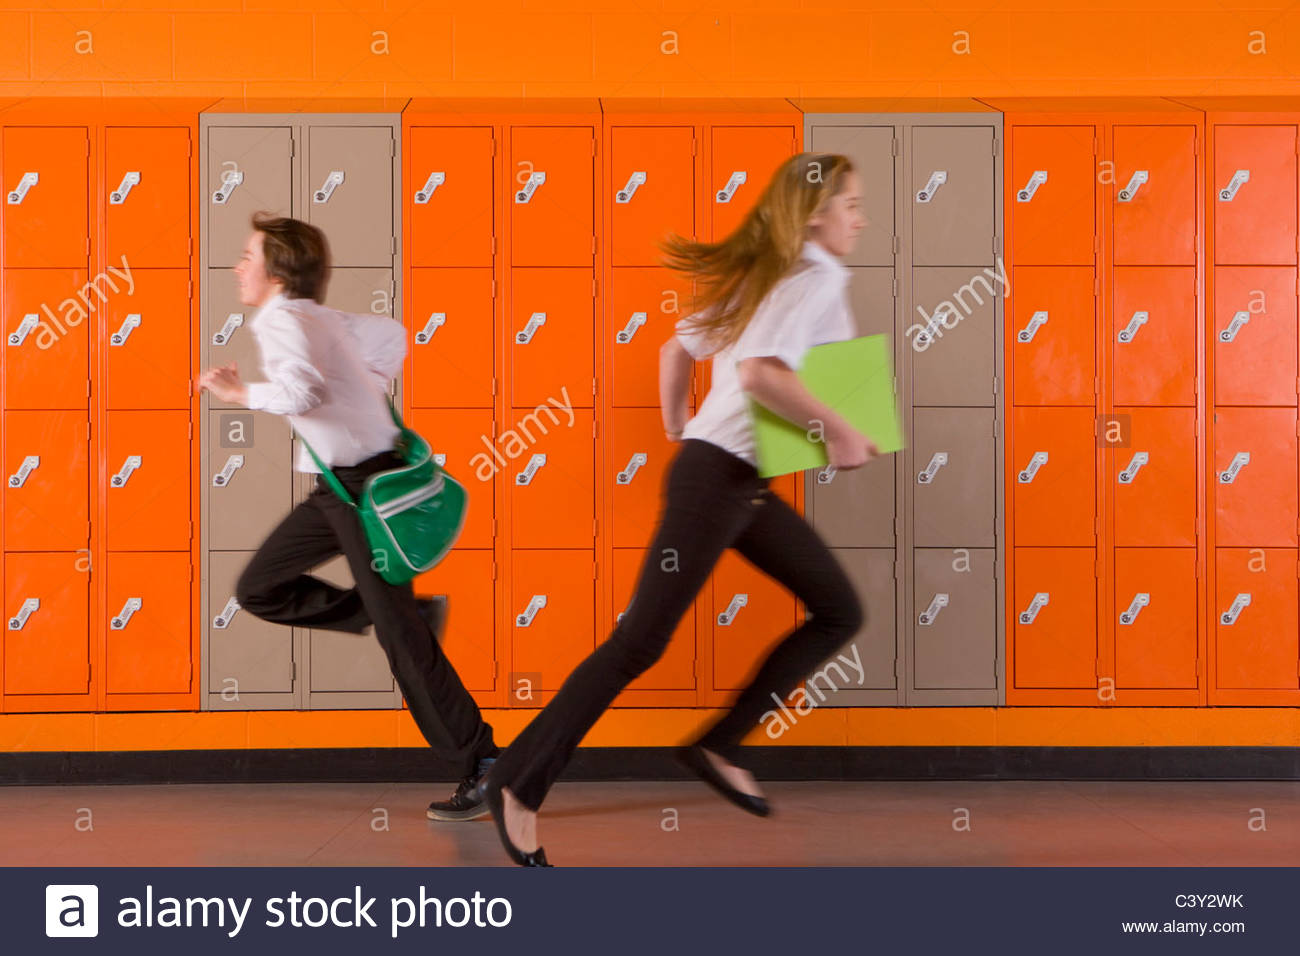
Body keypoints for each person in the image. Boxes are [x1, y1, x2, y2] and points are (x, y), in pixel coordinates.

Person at [479, 153, 877, 866]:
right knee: (638, 643)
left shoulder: (771, 273)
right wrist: (839, 431)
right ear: (817, 213)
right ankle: (517, 783)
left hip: (736, 482)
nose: (861, 219)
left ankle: (720, 745)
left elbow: (676, 349)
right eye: (852, 205)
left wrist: (677, 425)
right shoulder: (813, 275)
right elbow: (758, 374)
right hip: (716, 482)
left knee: (838, 609)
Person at [196, 212, 500, 822]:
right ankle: (394, 614)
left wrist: (238, 394)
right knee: (260, 588)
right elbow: (391, 334)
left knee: (403, 643)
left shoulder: (282, 319)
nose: (238, 266)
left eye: (249, 256)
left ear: (278, 271)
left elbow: (302, 393)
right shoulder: (317, 317)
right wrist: (363, 388)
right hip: (337, 488)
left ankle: (484, 764)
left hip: (361, 489)